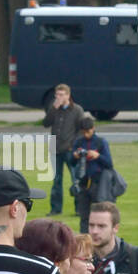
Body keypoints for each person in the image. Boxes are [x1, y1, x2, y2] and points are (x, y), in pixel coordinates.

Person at [42, 83, 86, 217]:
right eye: (57, 94)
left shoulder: (77, 110)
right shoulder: (55, 108)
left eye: (61, 95)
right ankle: (55, 209)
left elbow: (81, 130)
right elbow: (46, 123)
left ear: (68, 95)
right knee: (56, 180)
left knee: (76, 179)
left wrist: (73, 146)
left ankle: (80, 208)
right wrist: (53, 109)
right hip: (55, 149)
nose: (58, 97)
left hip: (70, 150)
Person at [70, 117, 119, 232]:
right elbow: (71, 162)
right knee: (84, 215)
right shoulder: (78, 142)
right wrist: (75, 156)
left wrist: (97, 156)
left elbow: (109, 163)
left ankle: (100, 237)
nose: (86, 134)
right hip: (83, 182)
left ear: (93, 129)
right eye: (83, 132)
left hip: (98, 182)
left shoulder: (101, 142)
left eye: (88, 131)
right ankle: (84, 240)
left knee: (99, 214)